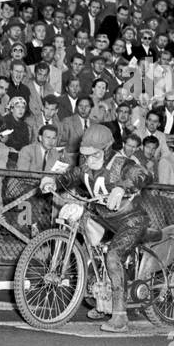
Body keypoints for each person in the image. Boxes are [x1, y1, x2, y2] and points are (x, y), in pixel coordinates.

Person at [40, 123, 153, 333]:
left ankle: (120, 316)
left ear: (106, 150)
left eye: (94, 155)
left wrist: (121, 187)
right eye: (86, 155)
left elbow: (143, 174)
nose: (89, 159)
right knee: (93, 247)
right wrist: (52, 182)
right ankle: (103, 300)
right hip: (105, 218)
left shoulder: (122, 164)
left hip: (130, 221)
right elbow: (69, 176)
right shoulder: (85, 167)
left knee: (113, 256)